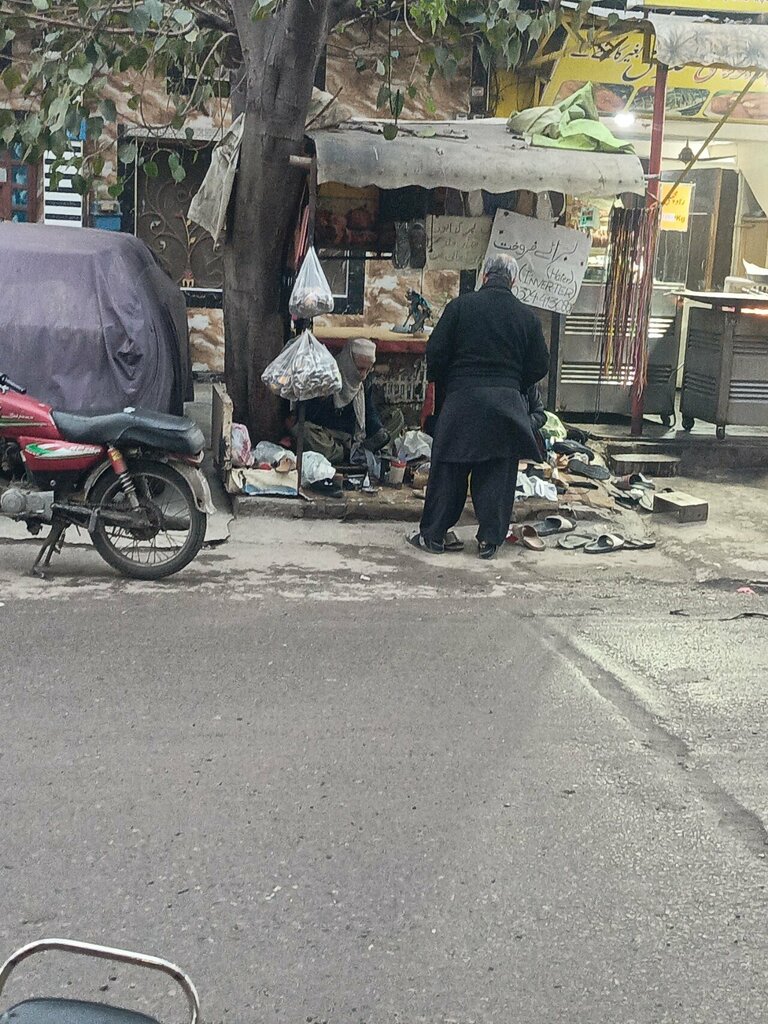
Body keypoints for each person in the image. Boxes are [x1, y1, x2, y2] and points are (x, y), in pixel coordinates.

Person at [409, 253, 550, 560]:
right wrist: (513, 383)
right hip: (506, 406)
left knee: (449, 469)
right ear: (513, 281)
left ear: (484, 276)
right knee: (498, 472)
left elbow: (435, 352)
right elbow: (540, 364)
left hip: (462, 400)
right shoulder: (527, 317)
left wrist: (449, 384)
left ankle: (433, 536)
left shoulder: (460, 307)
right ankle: (489, 541)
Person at [300, 338, 391, 462]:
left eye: (368, 370)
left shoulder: (365, 383)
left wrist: (378, 430)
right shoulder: (328, 378)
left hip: (353, 435)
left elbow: (368, 411)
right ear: (349, 363)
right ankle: (349, 454)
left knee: (395, 417)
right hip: (329, 435)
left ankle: (359, 451)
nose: (363, 375)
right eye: (360, 369)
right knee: (304, 431)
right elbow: (311, 415)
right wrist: (323, 400)